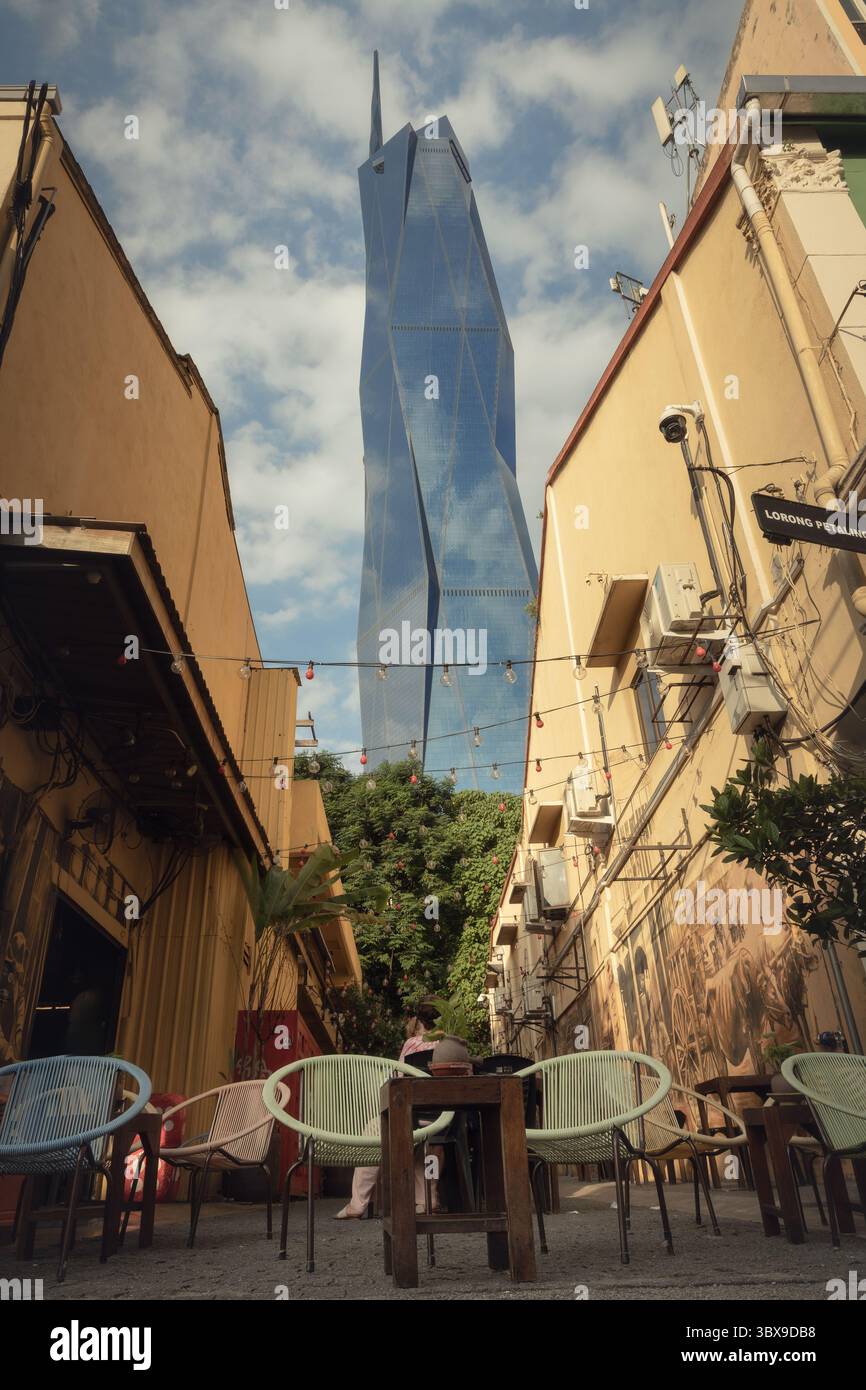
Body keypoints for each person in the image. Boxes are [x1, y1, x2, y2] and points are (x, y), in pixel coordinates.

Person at [334, 1016, 445, 1219]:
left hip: (410, 1117)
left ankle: (357, 1204)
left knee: (373, 1131)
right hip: (443, 1118)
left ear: (415, 1029)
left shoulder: (411, 1044)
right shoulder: (450, 1044)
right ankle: (428, 1199)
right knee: (428, 1140)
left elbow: (399, 1082)